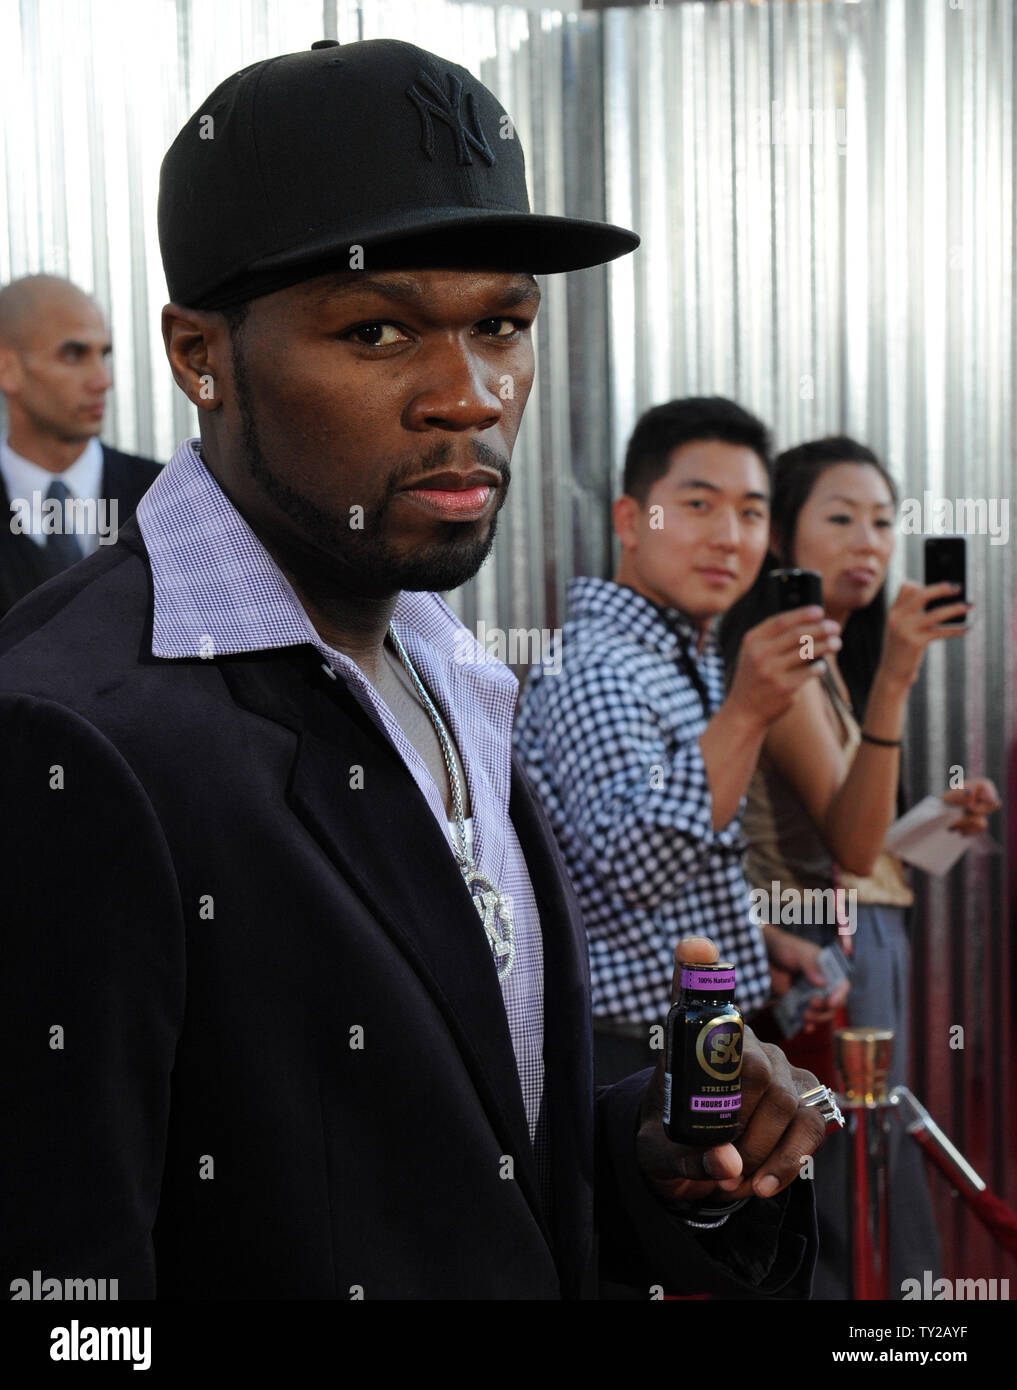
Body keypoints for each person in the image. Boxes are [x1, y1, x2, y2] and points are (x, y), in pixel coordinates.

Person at [0, 40, 831, 1301]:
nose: (471, 395)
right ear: (198, 354)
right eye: (378, 329)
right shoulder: (67, 736)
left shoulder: (449, 668)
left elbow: (436, 1159)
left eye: (502, 323)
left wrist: (652, 1153)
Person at [719, 434, 1000, 1298]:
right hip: (816, 950)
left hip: (852, 935)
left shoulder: (829, 659)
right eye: (839, 519)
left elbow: (859, 829)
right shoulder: (785, 660)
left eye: (882, 522)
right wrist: (898, 679)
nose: (868, 543)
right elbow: (845, 848)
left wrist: (930, 821)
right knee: (845, 1176)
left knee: (869, 1157)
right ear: (781, 538)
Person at [514, 397, 848, 1085]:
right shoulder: (596, 666)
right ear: (629, 521)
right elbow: (636, 870)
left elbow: (651, 888)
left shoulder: (683, 658)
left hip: (687, 1032)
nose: (729, 537)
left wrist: (759, 942)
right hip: (623, 1052)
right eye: (699, 505)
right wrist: (748, 711)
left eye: (750, 513)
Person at [0, 275, 160, 616]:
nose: (103, 380)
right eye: (74, 354)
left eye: (104, 354)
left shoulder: (165, 497)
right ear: (6, 368)